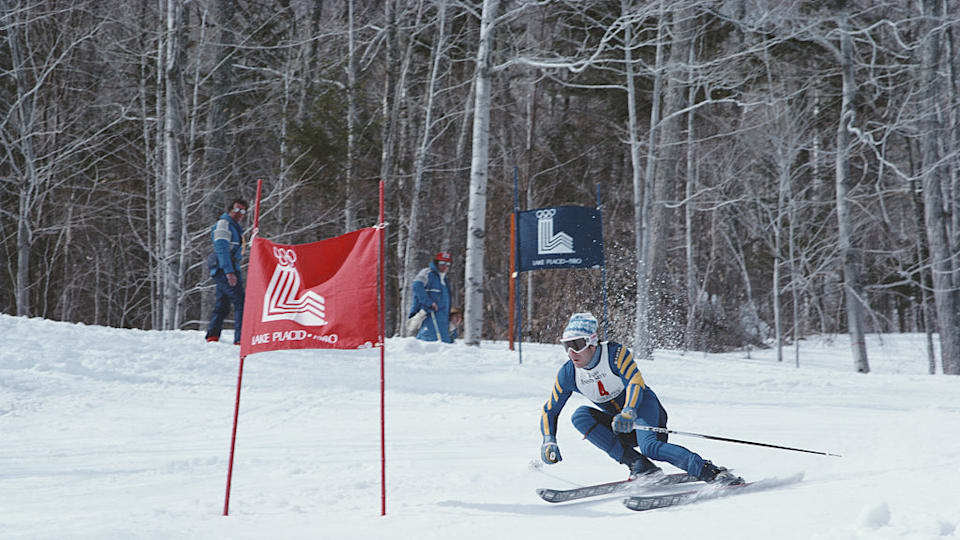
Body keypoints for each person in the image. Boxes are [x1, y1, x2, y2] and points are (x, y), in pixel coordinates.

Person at [538, 312, 741, 484]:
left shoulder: (615, 354)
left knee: (651, 447)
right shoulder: (568, 373)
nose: (572, 352)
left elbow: (635, 382)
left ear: (592, 342)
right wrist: (549, 440)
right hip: (619, 425)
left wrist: (629, 411)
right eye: (567, 346)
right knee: (580, 416)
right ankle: (640, 466)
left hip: (644, 410)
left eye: (577, 344)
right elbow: (550, 410)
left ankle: (711, 472)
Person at [205, 198, 248, 345]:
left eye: (242, 211)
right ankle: (240, 339)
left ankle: (213, 335)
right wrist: (229, 272)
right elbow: (222, 249)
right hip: (223, 268)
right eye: (236, 209)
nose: (239, 213)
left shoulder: (236, 228)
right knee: (241, 301)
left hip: (231, 267)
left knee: (223, 303)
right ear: (230, 210)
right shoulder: (224, 224)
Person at [407, 251, 454, 343]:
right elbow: (417, 286)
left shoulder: (445, 280)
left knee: (444, 344)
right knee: (428, 341)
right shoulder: (427, 273)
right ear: (436, 263)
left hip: (442, 318)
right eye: (442, 263)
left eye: (448, 264)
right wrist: (428, 302)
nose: (445, 266)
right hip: (429, 315)